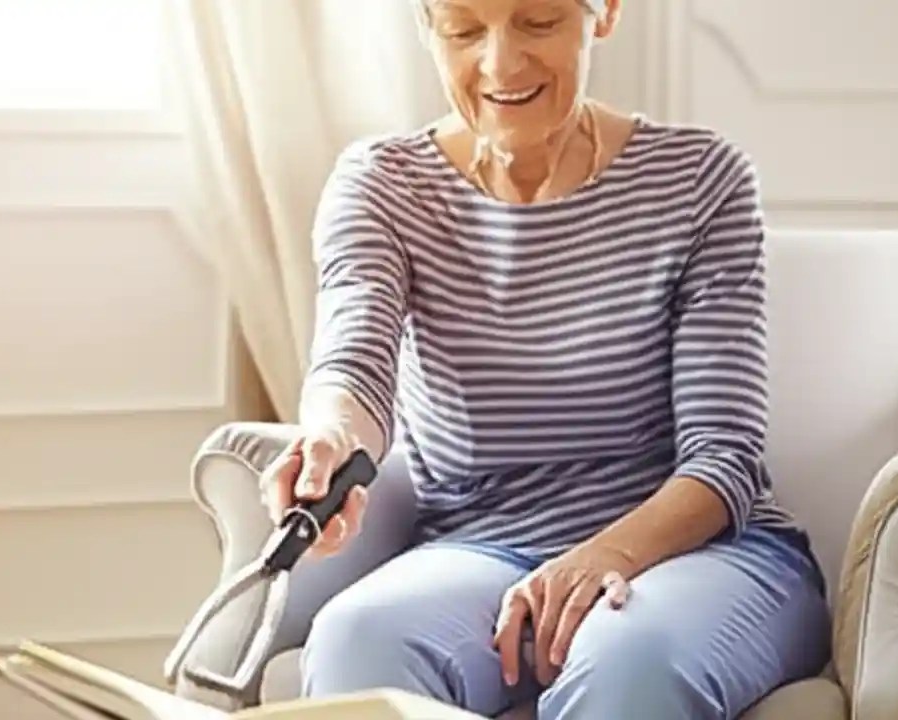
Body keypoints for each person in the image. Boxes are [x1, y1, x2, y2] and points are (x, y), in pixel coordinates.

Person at [257, 0, 832, 717]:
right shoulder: (384, 184)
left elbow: (726, 458)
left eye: (537, 22)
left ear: (604, 12)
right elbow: (354, 362)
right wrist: (329, 438)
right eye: (464, 30)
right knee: (356, 640)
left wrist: (604, 558)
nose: (499, 63)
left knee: (630, 664)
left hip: (695, 558)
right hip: (480, 550)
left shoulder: (698, 180)